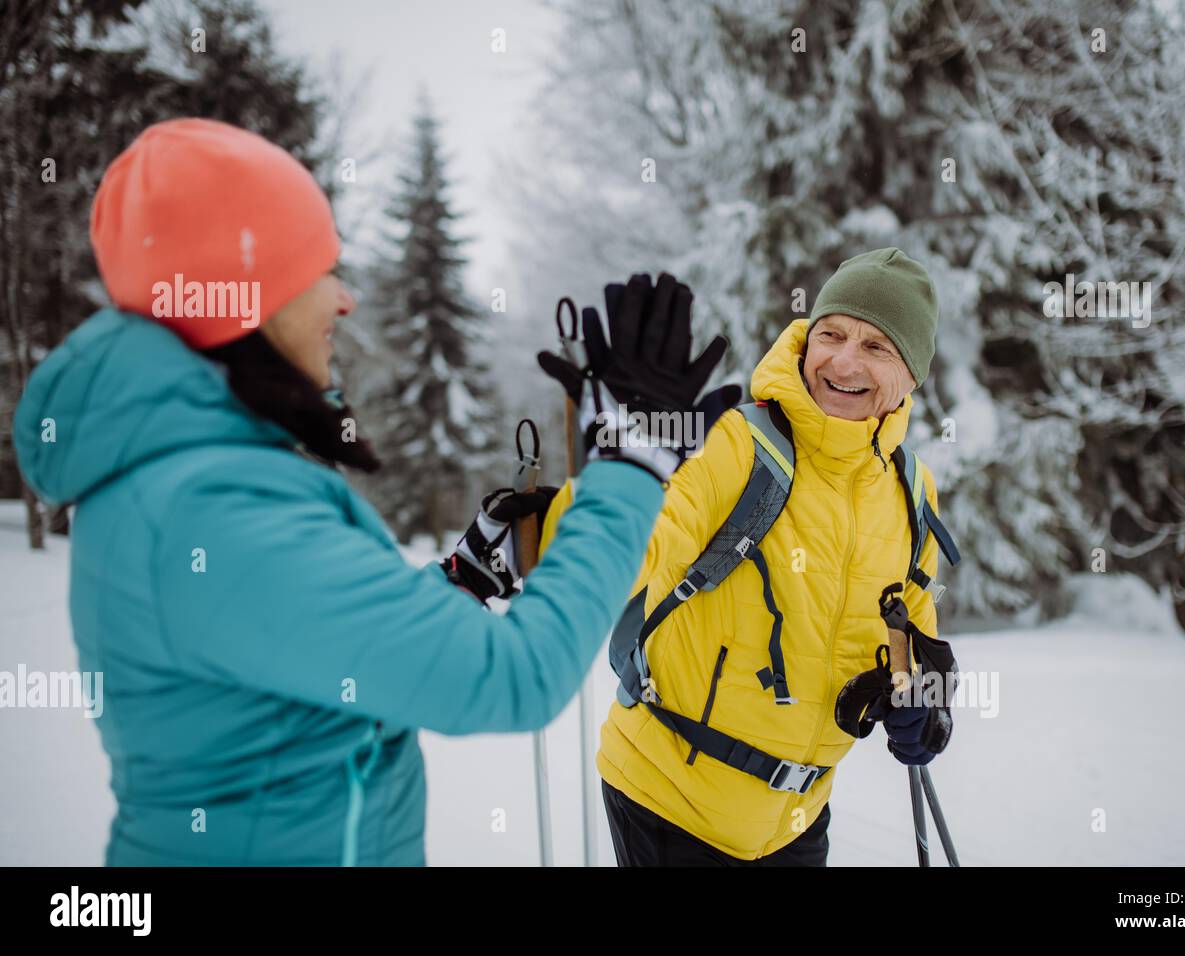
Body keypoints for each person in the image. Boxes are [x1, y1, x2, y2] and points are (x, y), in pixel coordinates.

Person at [11, 117, 732, 866]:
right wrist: (631, 463)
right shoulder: (211, 508)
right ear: (240, 298)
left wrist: (462, 582)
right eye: (317, 270)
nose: (345, 299)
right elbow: (517, 678)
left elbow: (316, 654)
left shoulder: (186, 477)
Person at [540, 249, 960, 866]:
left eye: (877, 347)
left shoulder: (910, 487)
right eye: (832, 334)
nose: (844, 360)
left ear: (912, 375)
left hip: (796, 821)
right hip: (670, 800)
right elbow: (633, 546)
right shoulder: (736, 443)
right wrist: (613, 476)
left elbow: (912, 622)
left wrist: (927, 699)